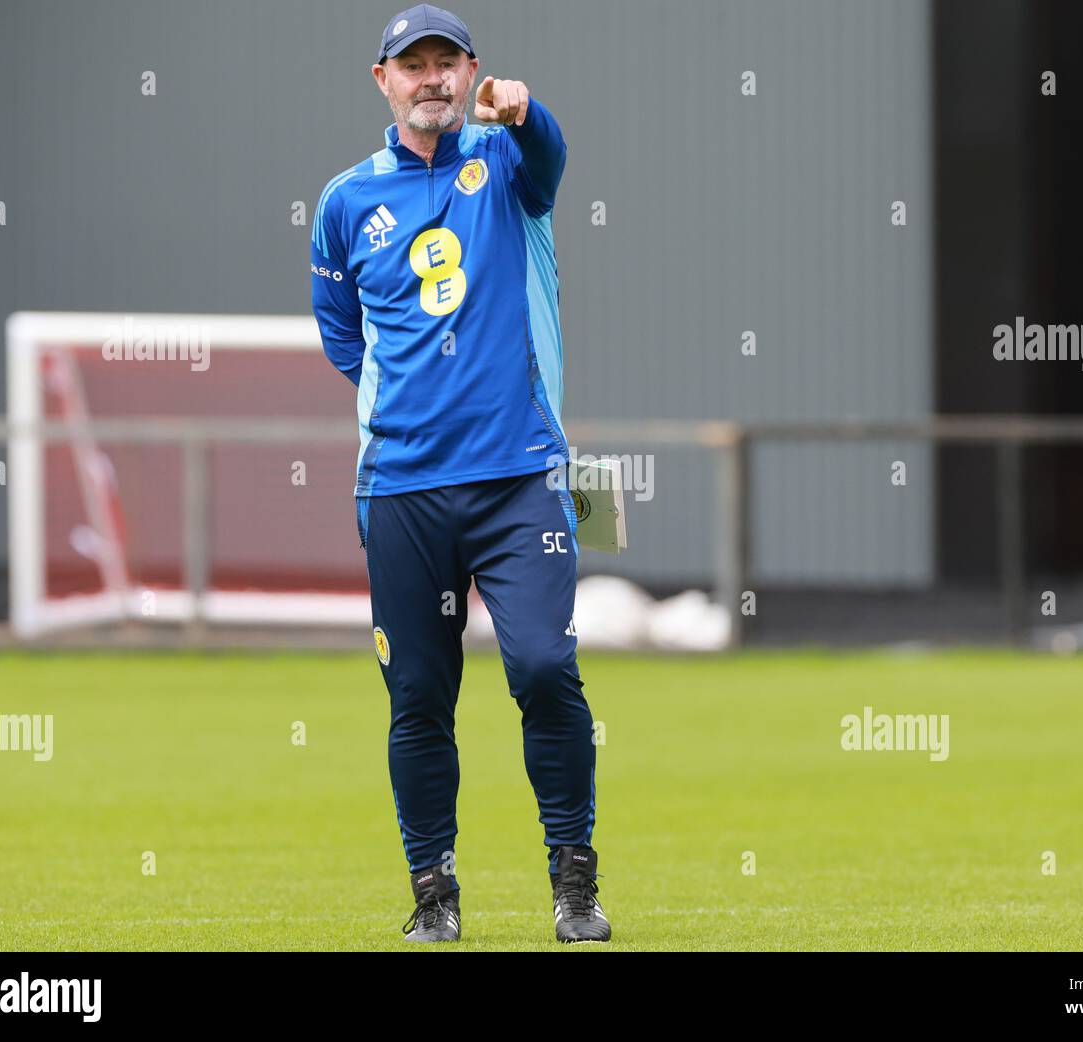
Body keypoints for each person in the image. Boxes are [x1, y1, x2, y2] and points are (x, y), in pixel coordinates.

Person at [309, 3, 609, 943]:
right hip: (402, 488)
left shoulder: (509, 161)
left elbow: (553, 157)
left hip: (521, 474)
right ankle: (433, 894)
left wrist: (526, 110)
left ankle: (574, 882)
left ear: (473, 71)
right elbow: (341, 335)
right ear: (383, 81)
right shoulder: (347, 201)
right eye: (413, 65)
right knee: (418, 699)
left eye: (448, 63)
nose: (431, 77)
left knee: (545, 667)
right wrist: (418, 409)